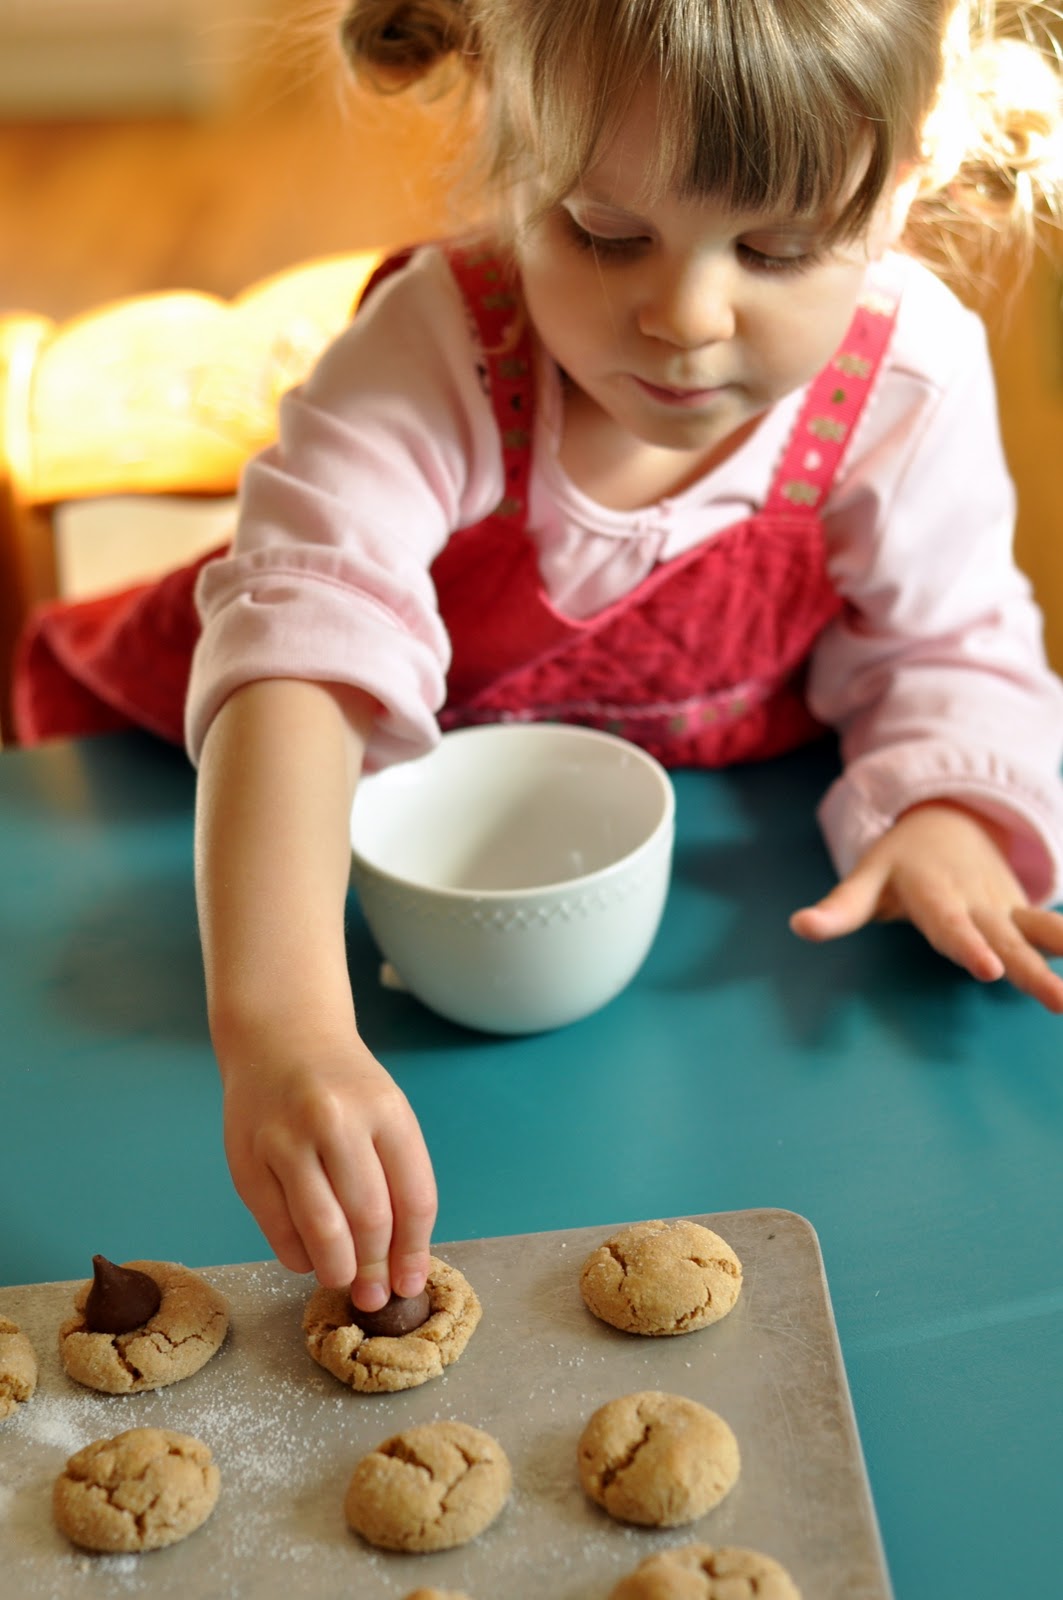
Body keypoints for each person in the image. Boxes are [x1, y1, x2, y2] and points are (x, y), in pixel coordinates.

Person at [186, 0, 1063, 1314]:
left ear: (904, 183)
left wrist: (949, 806)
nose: (686, 316)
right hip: (310, 835)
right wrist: (285, 1023)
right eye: (604, 232)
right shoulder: (438, 352)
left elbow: (951, 636)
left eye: (778, 246)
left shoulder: (908, 377)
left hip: (728, 906)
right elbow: (301, 655)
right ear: (506, 142)